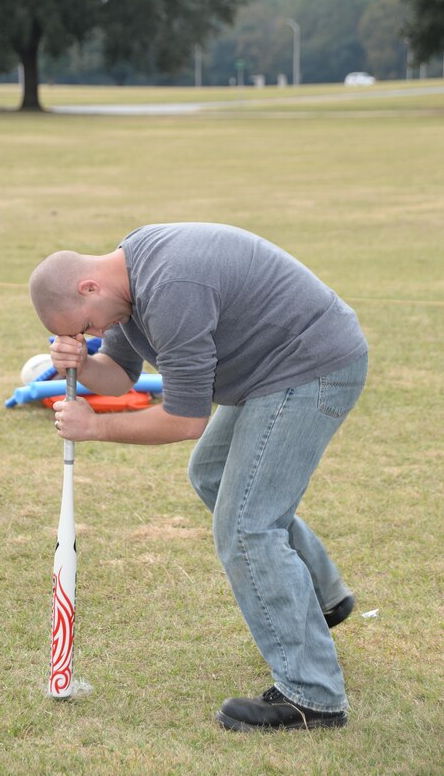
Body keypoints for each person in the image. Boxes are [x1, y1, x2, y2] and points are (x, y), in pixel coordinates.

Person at [28, 222, 368, 732]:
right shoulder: (125, 282)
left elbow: (186, 420)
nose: (92, 334)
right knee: (210, 473)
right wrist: (84, 362)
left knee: (246, 527)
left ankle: (313, 696)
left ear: (89, 287)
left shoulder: (171, 288)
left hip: (309, 365)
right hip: (272, 371)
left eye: (86, 326)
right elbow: (118, 374)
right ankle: (321, 597)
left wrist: (95, 427)